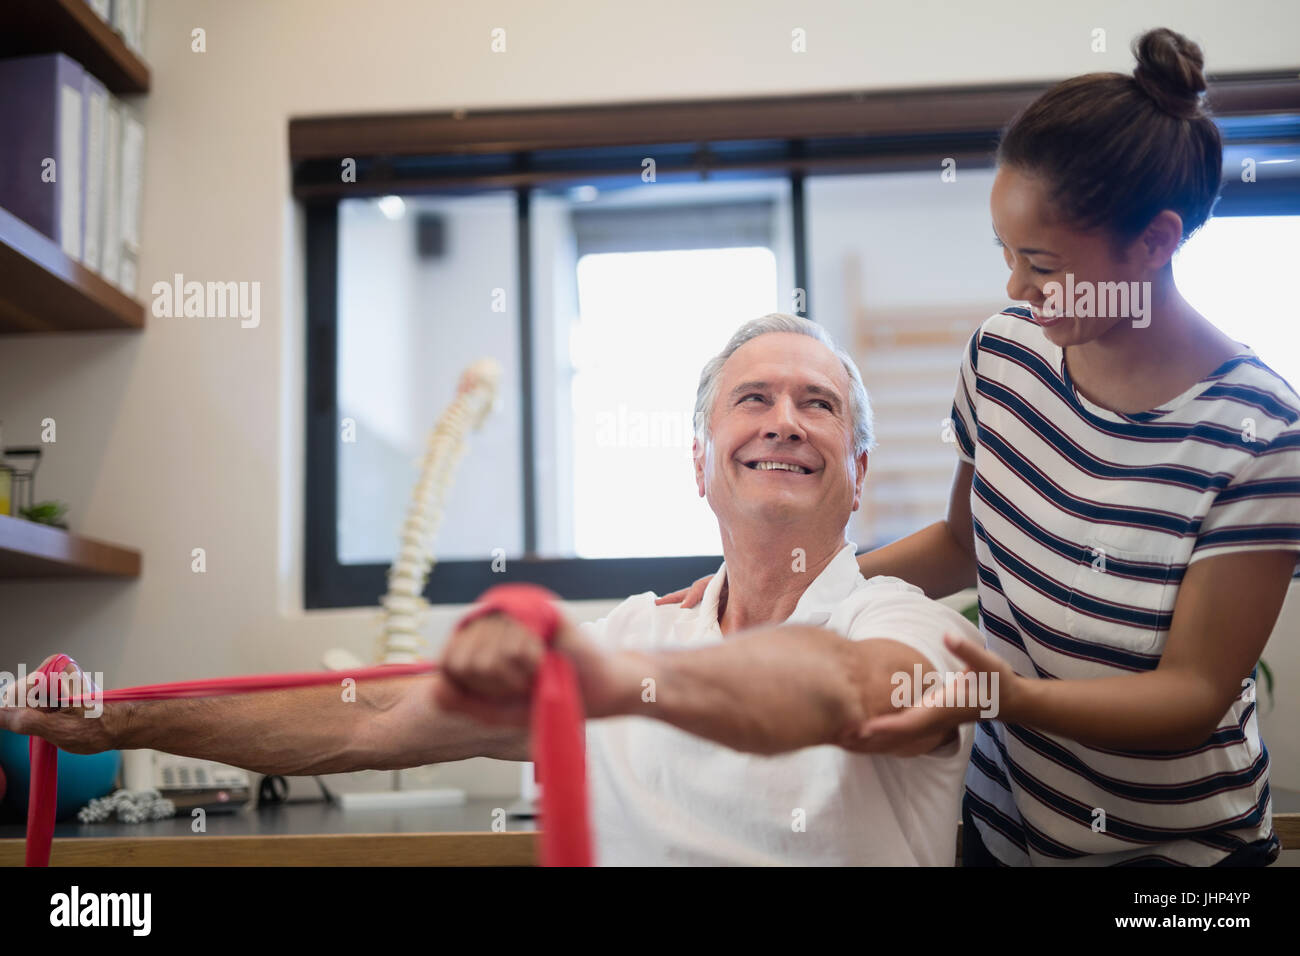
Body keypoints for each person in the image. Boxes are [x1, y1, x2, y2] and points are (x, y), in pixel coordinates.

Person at [3, 313, 983, 866]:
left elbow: (847, 690)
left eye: (818, 405)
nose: (784, 421)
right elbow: (376, 713)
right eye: (752, 399)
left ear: (856, 467)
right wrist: (122, 722)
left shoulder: (902, 621)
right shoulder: (639, 630)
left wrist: (608, 679)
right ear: (699, 463)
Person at [658, 27, 1300, 867]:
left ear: (1154, 243)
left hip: (1179, 860)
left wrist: (1009, 698)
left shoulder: (1259, 433)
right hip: (1004, 831)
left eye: (1040, 260)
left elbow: (1192, 695)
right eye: (1005, 253)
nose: (1015, 288)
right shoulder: (1007, 354)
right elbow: (965, 544)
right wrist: (781, 589)